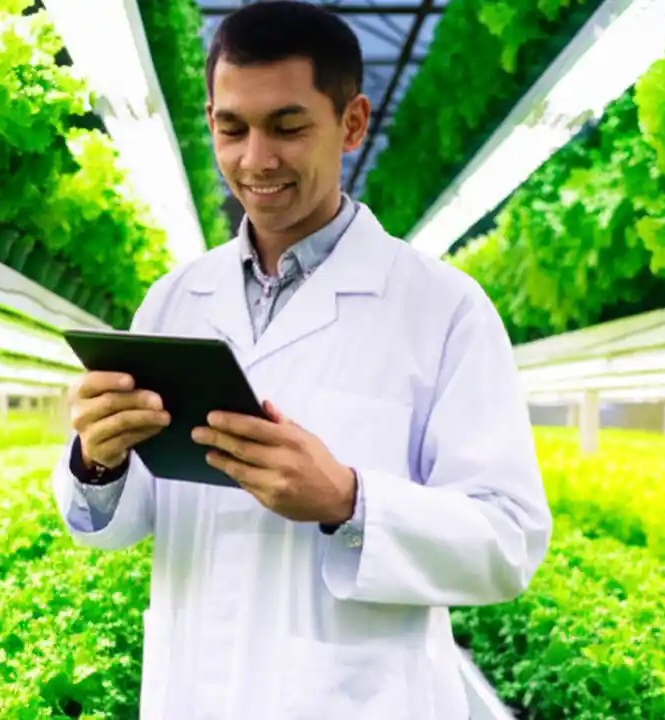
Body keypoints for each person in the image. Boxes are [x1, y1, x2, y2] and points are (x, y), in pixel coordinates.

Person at [51, 2, 551, 718]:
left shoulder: (443, 309)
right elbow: (123, 523)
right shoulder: (175, 301)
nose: (256, 160)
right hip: (194, 694)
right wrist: (99, 462)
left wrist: (349, 499)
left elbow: (508, 542)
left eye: (287, 127)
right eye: (232, 128)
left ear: (351, 123)